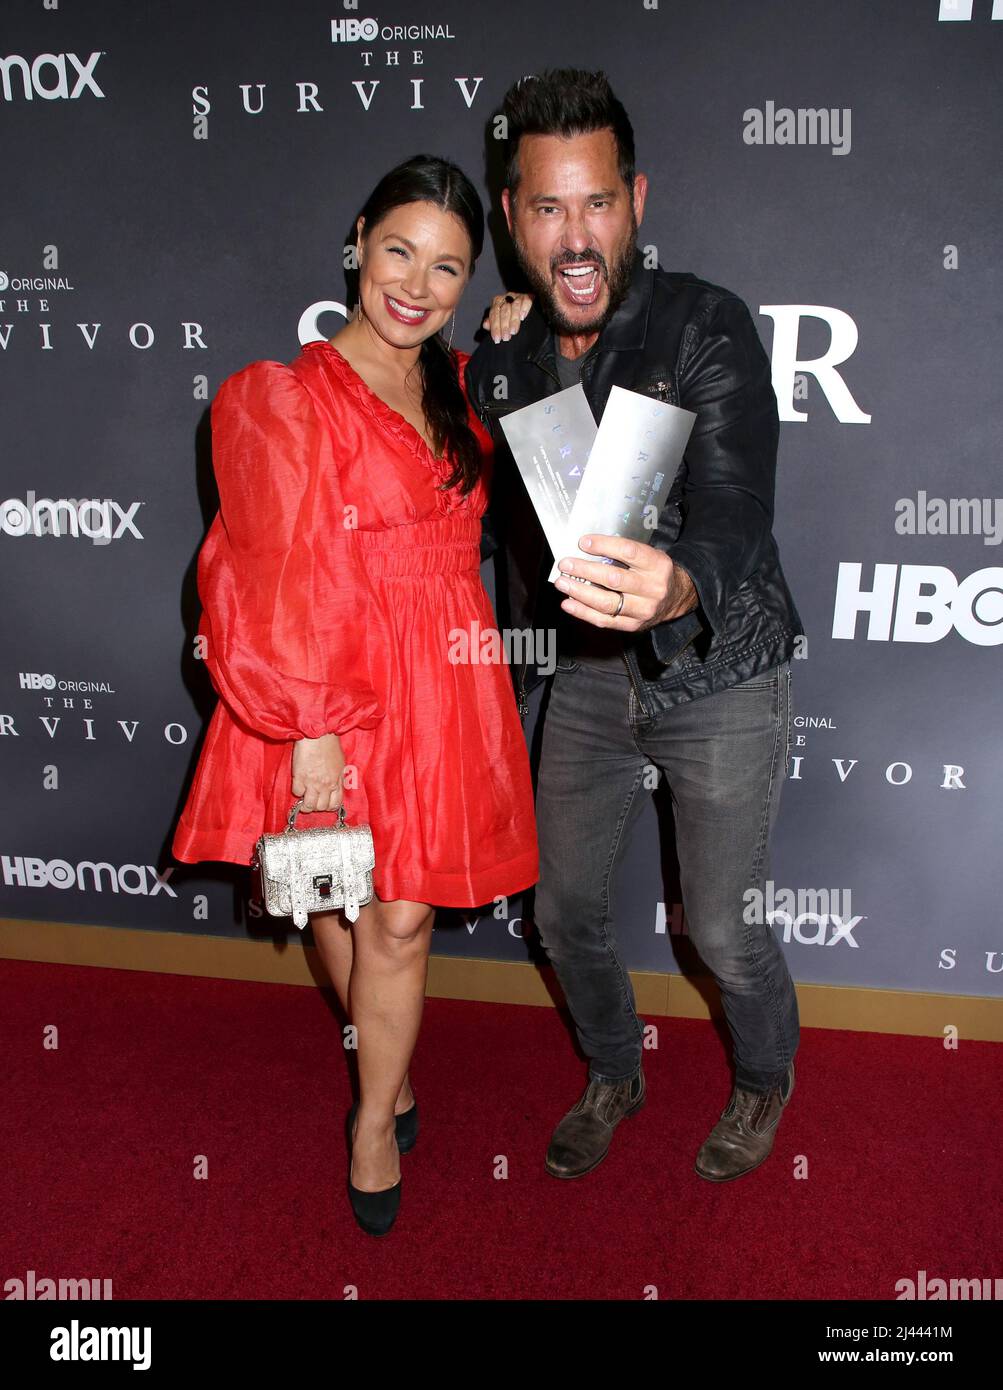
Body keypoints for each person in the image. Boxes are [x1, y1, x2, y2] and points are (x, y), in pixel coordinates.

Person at [172, 155, 539, 1235]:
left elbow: (570, 468)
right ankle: (392, 1083)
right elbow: (267, 573)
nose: (416, 285)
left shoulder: (466, 381)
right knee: (335, 895)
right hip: (331, 671)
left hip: (444, 677)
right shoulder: (278, 396)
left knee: (404, 916)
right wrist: (313, 730)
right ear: (358, 240)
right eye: (398, 252)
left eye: (448, 267)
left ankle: (372, 1115)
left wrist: (521, 355)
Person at [467, 70, 804, 1183]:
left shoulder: (700, 322)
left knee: (721, 928)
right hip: (591, 678)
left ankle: (761, 1083)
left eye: (598, 202)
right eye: (549, 207)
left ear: (637, 200)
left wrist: (679, 585)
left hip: (715, 665)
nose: (577, 236)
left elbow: (737, 504)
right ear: (512, 218)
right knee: (561, 913)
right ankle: (615, 1070)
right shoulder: (505, 356)